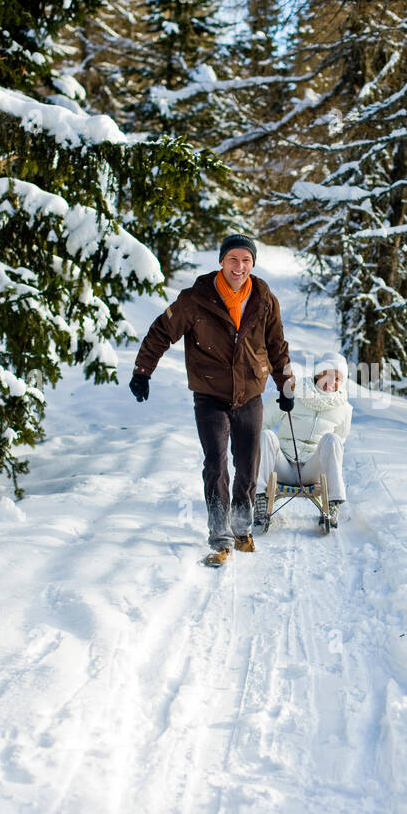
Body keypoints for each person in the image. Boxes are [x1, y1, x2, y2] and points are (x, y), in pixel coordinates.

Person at [128, 234, 292, 567]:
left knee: (247, 467)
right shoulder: (194, 299)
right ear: (221, 261)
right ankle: (220, 537)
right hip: (210, 395)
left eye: (246, 260)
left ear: (253, 264)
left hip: (250, 395)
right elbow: (161, 331)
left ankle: (242, 529)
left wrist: (285, 387)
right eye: (233, 259)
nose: (239, 266)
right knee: (216, 465)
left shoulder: (264, 299)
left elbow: (277, 346)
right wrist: (143, 371)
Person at [256, 351, 352, 528]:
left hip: (311, 470)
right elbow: (261, 421)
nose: (332, 382)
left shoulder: (344, 409)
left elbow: (338, 444)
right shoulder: (293, 392)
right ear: (318, 374)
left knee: (332, 439)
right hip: (283, 464)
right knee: (265, 435)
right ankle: (260, 498)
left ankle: (332, 504)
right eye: (328, 375)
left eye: (338, 379)